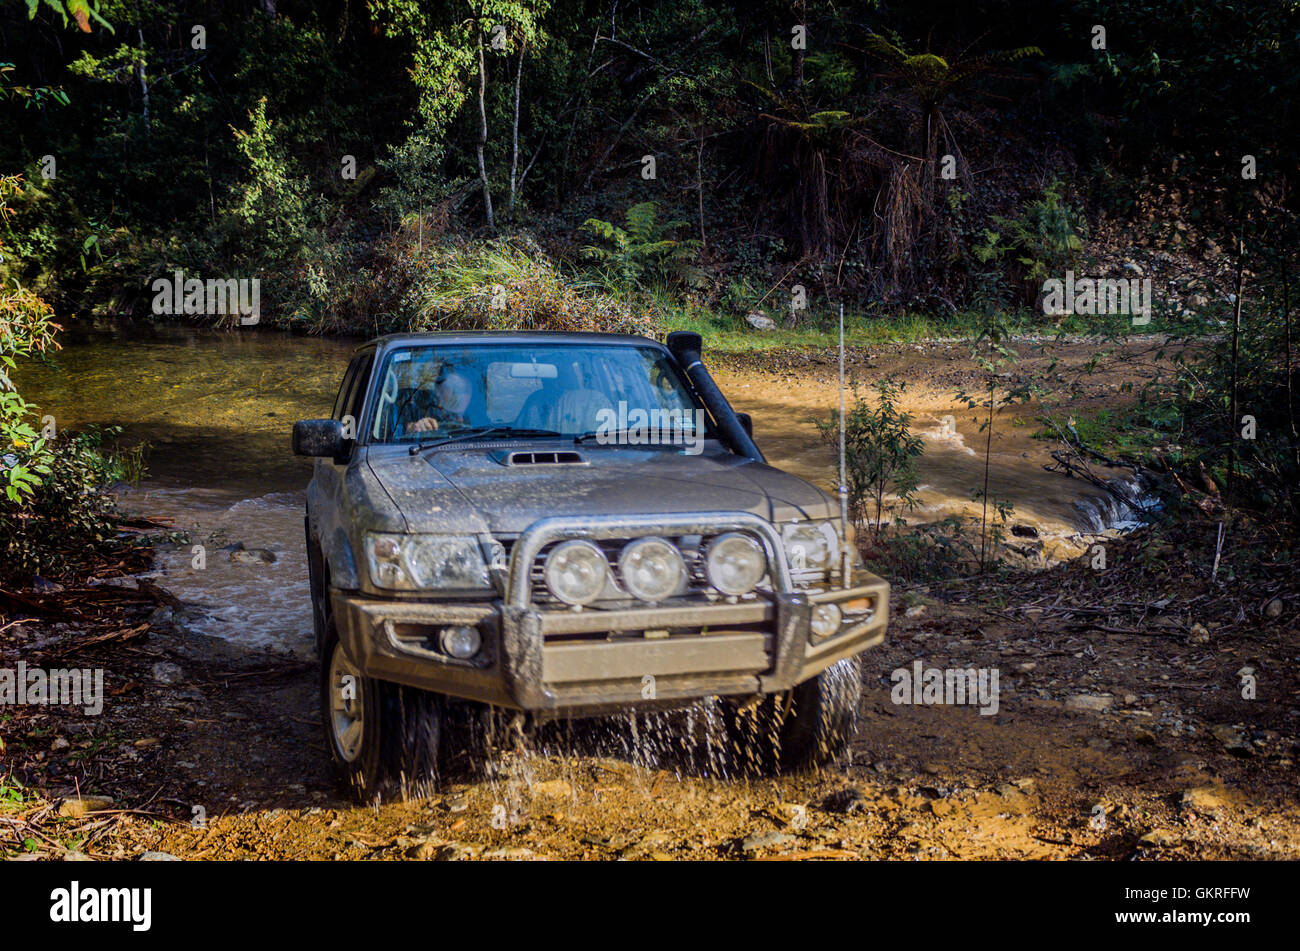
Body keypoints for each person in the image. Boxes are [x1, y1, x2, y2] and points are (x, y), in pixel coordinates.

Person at [405, 370, 473, 434]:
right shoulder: (422, 413)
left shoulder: (478, 421)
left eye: (458, 390)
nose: (438, 394)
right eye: (438, 392)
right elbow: (399, 428)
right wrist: (414, 427)